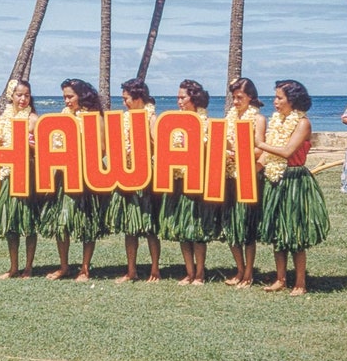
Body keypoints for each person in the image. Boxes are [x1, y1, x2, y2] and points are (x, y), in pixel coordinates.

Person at [257, 80, 330, 296]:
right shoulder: (278, 121)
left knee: (295, 232)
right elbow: (269, 153)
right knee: (279, 231)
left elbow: (288, 151)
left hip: (295, 180)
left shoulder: (302, 123)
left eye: (279, 97)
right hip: (275, 179)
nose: (275, 102)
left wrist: (259, 143)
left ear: (292, 100)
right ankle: (281, 279)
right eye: (275, 97)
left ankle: (300, 282)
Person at [42, 79, 108, 280]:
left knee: (87, 222)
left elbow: (103, 149)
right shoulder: (63, 116)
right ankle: (64, 266)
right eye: (64, 97)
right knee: (62, 222)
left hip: (88, 175)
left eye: (70, 96)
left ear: (82, 95)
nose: (67, 101)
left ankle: (85, 268)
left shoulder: (95, 118)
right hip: (64, 175)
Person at [157, 79, 218, 285]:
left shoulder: (206, 123)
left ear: (194, 98)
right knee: (183, 229)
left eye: (183, 97)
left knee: (197, 230)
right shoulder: (175, 124)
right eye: (178, 97)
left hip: (197, 183)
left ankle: (200, 273)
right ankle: (189, 271)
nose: (179, 101)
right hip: (178, 182)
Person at [0, 79, 39, 278]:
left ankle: (29, 266)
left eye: (27, 95)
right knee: (11, 223)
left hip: (27, 174)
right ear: (11, 96)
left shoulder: (33, 119)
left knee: (29, 221)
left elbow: (42, 149)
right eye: (19, 95)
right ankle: (14, 267)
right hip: (5, 174)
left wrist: (25, 144)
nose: (23, 99)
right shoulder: (2, 118)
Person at [106, 78, 161, 282]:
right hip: (126, 173)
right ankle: (131, 270)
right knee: (130, 226)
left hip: (145, 176)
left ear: (138, 98)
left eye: (126, 99)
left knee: (149, 226)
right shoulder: (125, 118)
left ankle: (155, 269)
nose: (124, 103)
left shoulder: (151, 118)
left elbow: (158, 144)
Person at [221, 77, 266, 288]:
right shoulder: (229, 118)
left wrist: (238, 154)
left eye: (240, 98)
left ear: (250, 97)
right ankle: (239, 269)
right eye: (234, 98)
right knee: (231, 224)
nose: (236, 102)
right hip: (229, 176)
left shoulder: (258, 119)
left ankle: (249, 273)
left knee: (246, 226)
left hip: (248, 175)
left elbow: (260, 149)